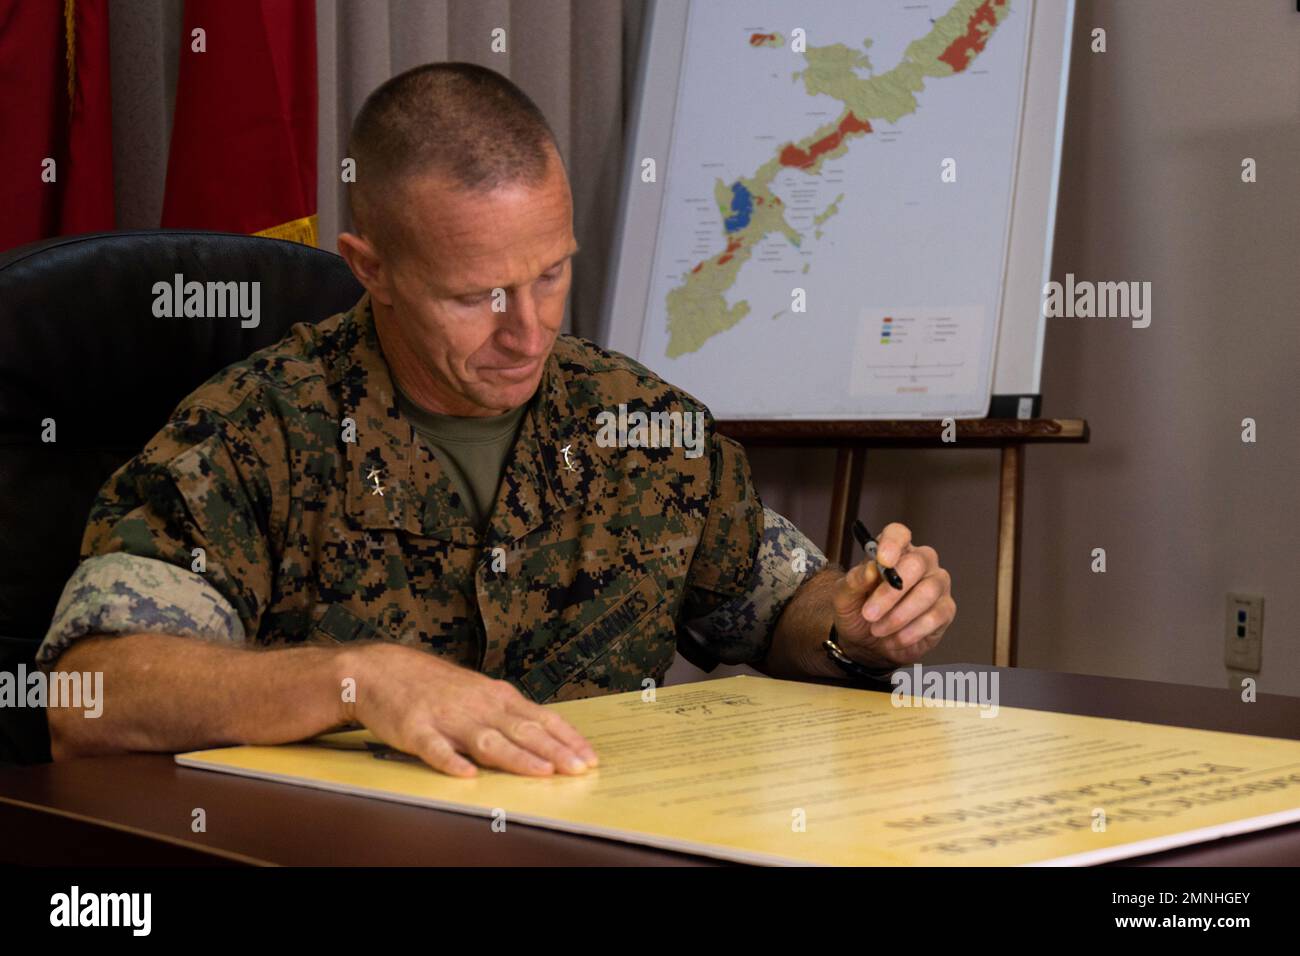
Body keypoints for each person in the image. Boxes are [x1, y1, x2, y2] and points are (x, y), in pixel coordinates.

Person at [41, 63, 955, 778]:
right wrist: (356, 680)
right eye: (476, 296)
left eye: (550, 273)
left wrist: (857, 622)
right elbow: (95, 696)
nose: (528, 331)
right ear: (372, 267)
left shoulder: (641, 424)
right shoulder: (256, 432)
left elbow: (771, 607)